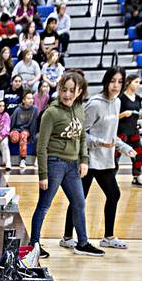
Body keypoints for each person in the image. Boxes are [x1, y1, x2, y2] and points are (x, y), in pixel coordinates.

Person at [29, 69, 93, 256]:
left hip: (73, 166)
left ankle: (82, 243)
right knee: (44, 205)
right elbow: (41, 146)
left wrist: (84, 160)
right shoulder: (51, 112)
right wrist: (43, 174)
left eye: (72, 90)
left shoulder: (80, 109)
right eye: (64, 89)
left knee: (79, 204)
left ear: (80, 91)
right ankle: (35, 245)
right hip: (54, 163)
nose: (67, 94)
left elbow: (81, 137)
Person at [81, 70, 135, 251]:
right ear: (106, 82)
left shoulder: (117, 102)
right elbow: (80, 133)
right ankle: (67, 237)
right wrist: (98, 143)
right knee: (79, 200)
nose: (116, 85)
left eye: (120, 82)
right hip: (88, 159)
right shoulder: (95, 104)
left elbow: (111, 135)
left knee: (114, 194)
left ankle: (108, 237)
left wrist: (125, 148)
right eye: (113, 81)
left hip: (105, 161)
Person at [118, 73, 142, 187]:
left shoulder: (138, 99)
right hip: (121, 131)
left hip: (133, 130)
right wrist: (123, 114)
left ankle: (136, 177)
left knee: (139, 152)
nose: (138, 85)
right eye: (136, 82)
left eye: (139, 82)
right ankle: (110, 177)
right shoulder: (120, 98)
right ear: (128, 83)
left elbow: (136, 115)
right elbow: (113, 116)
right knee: (115, 155)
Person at [10, 89, 40, 166]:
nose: (31, 100)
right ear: (23, 100)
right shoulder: (18, 109)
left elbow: (36, 124)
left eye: (32, 98)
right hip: (17, 130)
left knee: (23, 135)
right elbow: (12, 122)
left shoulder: (35, 110)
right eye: (28, 98)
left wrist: (32, 137)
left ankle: (23, 159)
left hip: (27, 131)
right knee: (14, 138)